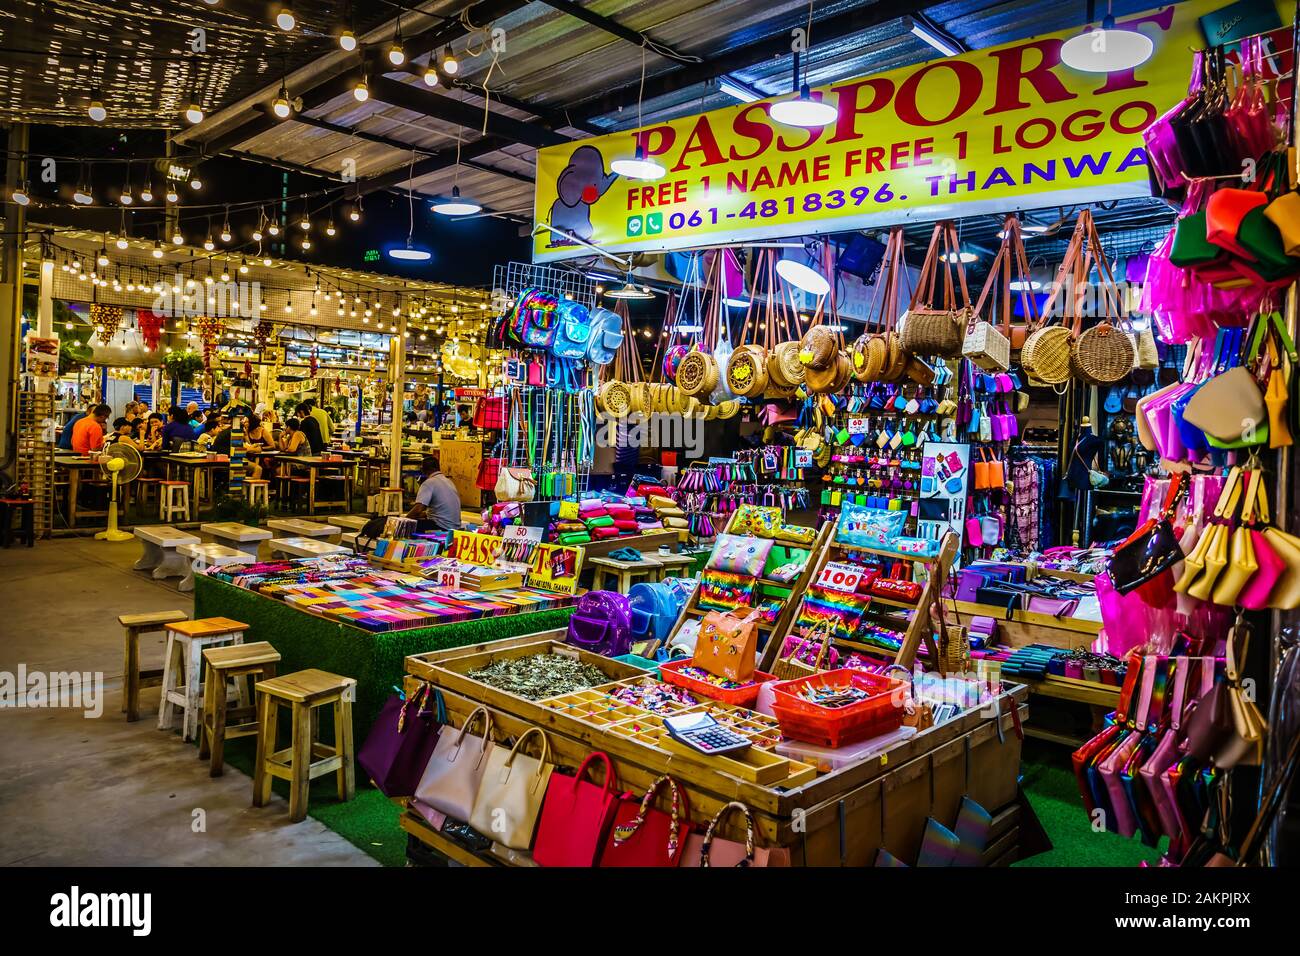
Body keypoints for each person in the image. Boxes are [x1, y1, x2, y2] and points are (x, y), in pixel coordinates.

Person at [406, 454, 461, 531]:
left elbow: (418, 509)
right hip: (455, 527)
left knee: (409, 526)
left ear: (423, 470)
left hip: (441, 526)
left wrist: (403, 520)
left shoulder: (429, 483)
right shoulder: (448, 481)